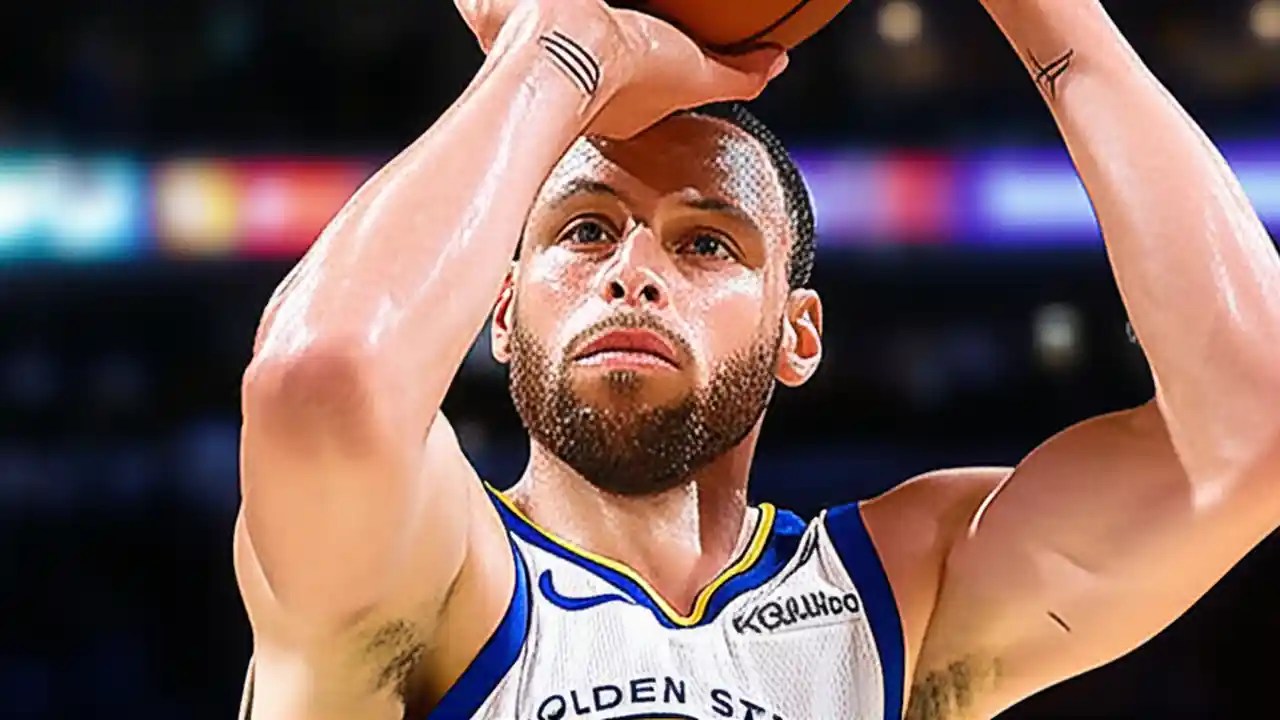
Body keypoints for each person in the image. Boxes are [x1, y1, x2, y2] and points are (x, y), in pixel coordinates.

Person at [234, 0, 1280, 717]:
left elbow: (1253, 430)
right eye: (585, 231)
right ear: (499, 311)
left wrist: (1056, 31)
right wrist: (559, 54)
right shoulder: (433, 565)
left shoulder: (899, 597)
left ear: (798, 334)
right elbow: (318, 382)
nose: (632, 271)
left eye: (705, 244)